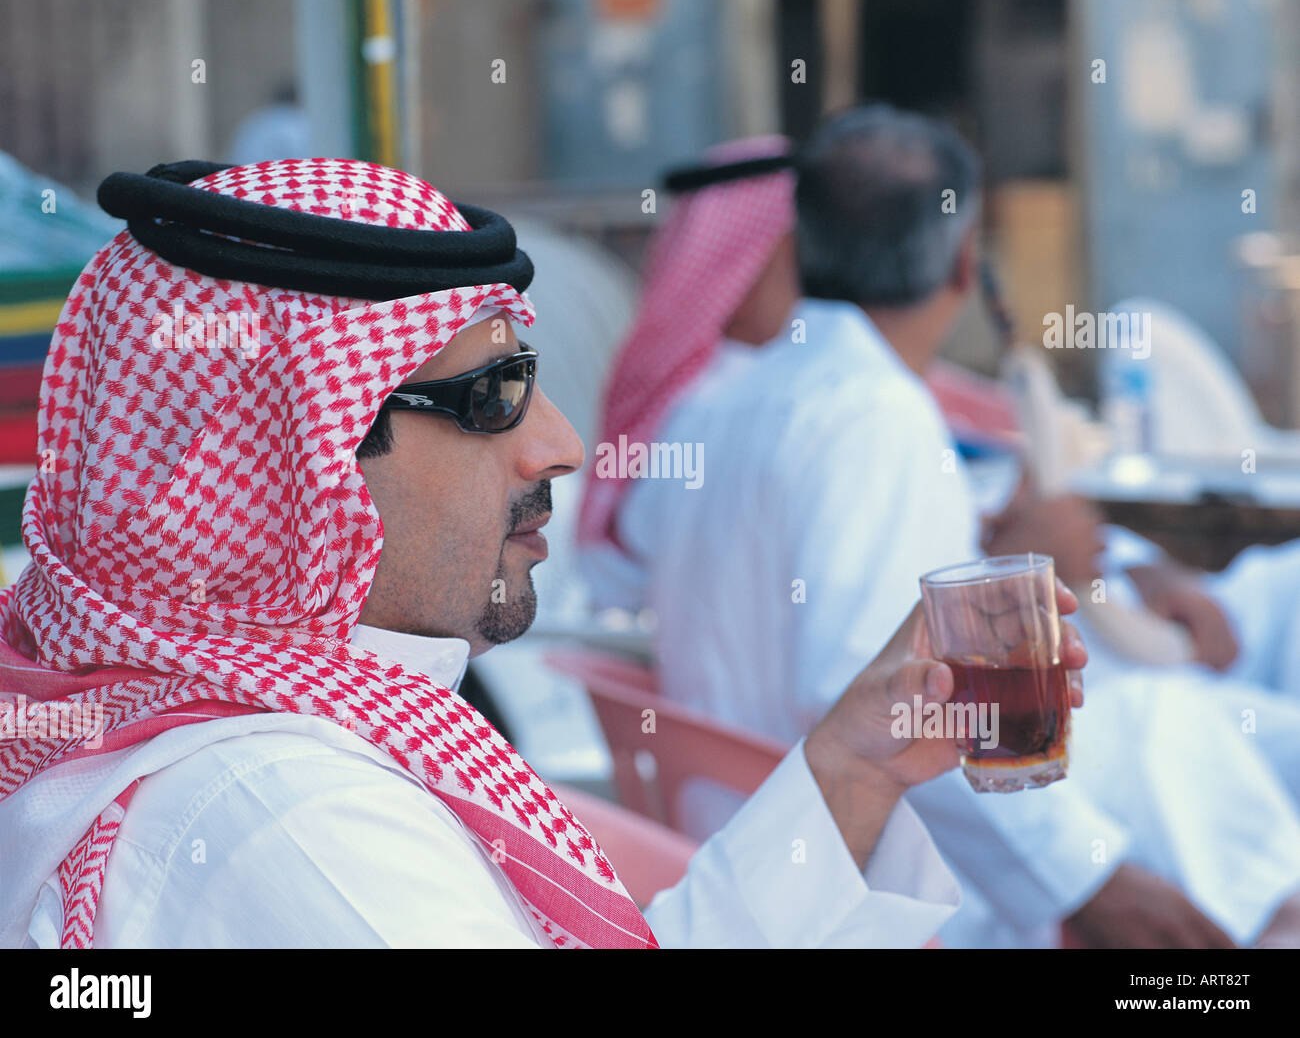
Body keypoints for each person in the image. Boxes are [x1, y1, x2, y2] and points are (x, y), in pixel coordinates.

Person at [0, 155, 1080, 949]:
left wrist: (854, 764)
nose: (560, 444)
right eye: (493, 396)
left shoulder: (230, 724)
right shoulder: (294, 820)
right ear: (276, 454)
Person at [580, 110, 1300, 949]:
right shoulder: (872, 412)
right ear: (965, 262)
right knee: (1166, 731)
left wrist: (1007, 563)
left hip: (758, 825)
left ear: (800, 247)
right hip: (867, 868)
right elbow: (879, 687)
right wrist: (1088, 882)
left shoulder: (710, 407)